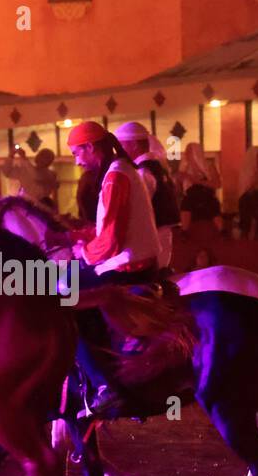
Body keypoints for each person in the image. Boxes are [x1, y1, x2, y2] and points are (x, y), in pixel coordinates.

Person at [65, 121, 160, 419]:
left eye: (76, 152)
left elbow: (110, 242)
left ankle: (105, 386)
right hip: (137, 258)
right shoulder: (120, 170)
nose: (76, 160)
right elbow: (112, 227)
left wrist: (82, 252)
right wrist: (74, 237)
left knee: (61, 299)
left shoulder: (115, 176)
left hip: (129, 266)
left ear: (90, 148)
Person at [114, 122, 180, 270]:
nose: (118, 153)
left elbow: (139, 209)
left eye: (121, 146)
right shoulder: (157, 169)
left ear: (134, 145)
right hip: (161, 236)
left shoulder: (143, 172)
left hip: (152, 239)